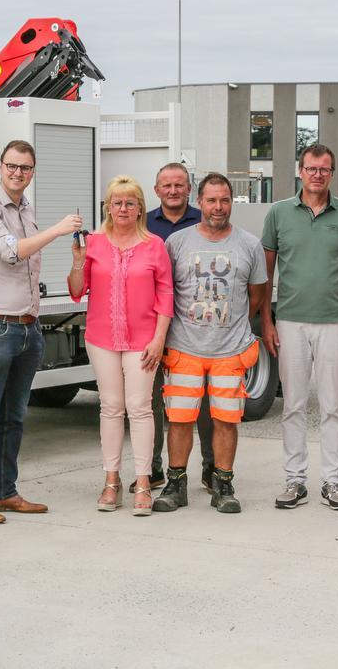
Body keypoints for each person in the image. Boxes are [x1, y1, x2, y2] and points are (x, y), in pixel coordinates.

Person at [0, 140, 83, 524]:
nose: (18, 173)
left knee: (14, 416)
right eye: (12, 166)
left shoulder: (27, 208)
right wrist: (58, 230)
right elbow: (11, 251)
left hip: (28, 326)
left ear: (32, 172)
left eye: (25, 168)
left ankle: (5, 492)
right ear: (0, 167)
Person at [261, 144, 338, 512]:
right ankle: (295, 480)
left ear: (332, 173)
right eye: (311, 168)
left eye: (324, 169)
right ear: (300, 171)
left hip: (334, 323)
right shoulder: (278, 214)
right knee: (292, 404)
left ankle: (333, 482)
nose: (317, 174)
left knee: (332, 405)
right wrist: (266, 320)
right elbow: (266, 273)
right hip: (289, 322)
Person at [153, 172, 268, 515]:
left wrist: (234, 327)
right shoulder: (177, 242)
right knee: (180, 419)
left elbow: (258, 295)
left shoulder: (249, 244)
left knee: (226, 420)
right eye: (212, 200)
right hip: (185, 347)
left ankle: (223, 484)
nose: (218, 207)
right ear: (199, 202)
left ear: (231, 202)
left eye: (225, 200)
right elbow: (165, 292)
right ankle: (176, 485)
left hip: (230, 350)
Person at [68, 175, 173, 516]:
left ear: (140, 207)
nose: (123, 208)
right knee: (111, 407)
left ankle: (143, 481)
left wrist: (159, 339)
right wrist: (77, 261)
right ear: (108, 208)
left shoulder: (154, 244)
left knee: (140, 407)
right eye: (117, 203)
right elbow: (75, 290)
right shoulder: (93, 243)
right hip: (102, 338)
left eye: (130, 202)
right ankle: (111, 480)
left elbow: (166, 294)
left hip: (143, 340)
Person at [144, 162, 214, 492]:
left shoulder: (206, 220)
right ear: (156, 190)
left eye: (179, 185)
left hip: (194, 327)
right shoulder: (144, 225)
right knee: (153, 400)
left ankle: (211, 467)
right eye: (166, 185)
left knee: (201, 401)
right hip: (152, 326)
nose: (173, 190)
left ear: (189, 189)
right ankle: (153, 468)